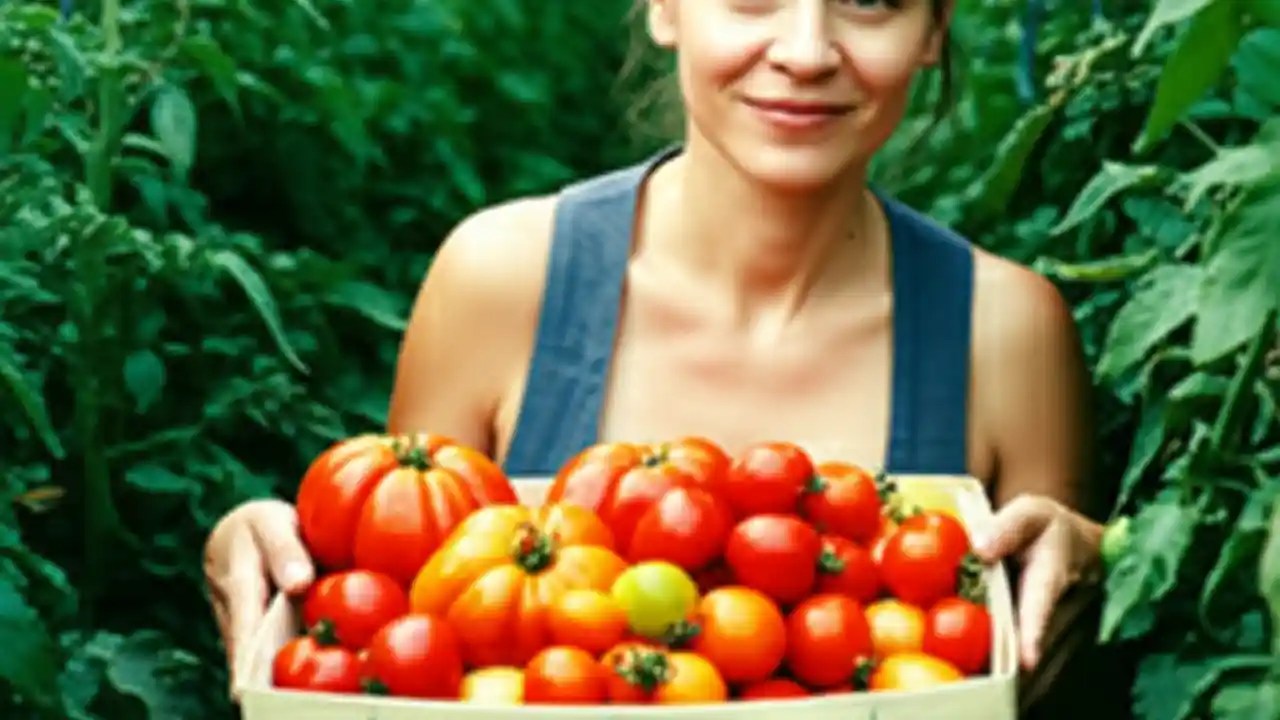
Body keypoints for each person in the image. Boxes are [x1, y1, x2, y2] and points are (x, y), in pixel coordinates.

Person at [204, 0, 1127, 715]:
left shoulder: (1005, 334)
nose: (807, 50)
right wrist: (291, 558)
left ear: (935, 30)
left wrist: (1098, 568)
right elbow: (391, 634)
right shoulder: (501, 283)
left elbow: (1027, 680)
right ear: (665, 8)